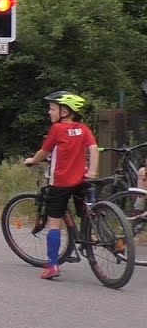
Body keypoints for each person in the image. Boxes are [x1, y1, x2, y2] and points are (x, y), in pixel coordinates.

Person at [23, 91, 99, 280]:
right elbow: (93, 149)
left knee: (54, 222)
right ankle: (92, 237)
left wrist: (32, 160)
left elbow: (44, 152)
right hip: (83, 179)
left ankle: (52, 265)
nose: (50, 112)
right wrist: (92, 172)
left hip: (61, 182)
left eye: (52, 109)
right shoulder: (83, 129)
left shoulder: (57, 130)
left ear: (64, 111)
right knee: (87, 212)